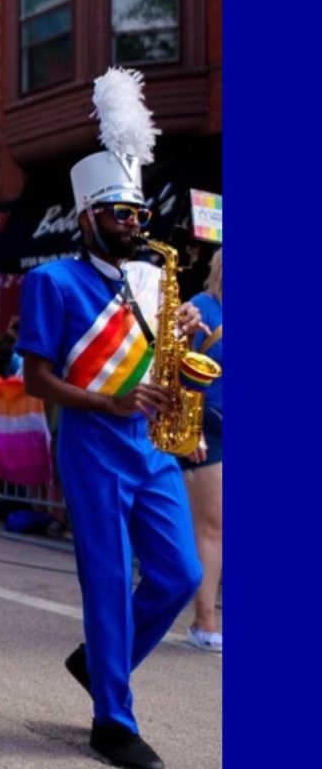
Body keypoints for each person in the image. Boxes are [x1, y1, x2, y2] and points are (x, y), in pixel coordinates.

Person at [17, 68, 203, 769]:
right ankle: (112, 720)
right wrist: (108, 403)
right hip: (92, 442)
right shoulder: (51, 280)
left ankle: (100, 663)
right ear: (86, 214)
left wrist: (189, 335)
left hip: (152, 445)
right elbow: (37, 378)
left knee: (179, 575)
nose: (131, 223)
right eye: (118, 213)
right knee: (105, 578)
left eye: (137, 213)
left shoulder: (157, 279)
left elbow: (165, 362)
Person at [179, 247, 222, 652]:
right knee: (212, 527)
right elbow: (179, 373)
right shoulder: (200, 309)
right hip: (211, 433)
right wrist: (193, 433)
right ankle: (204, 619)